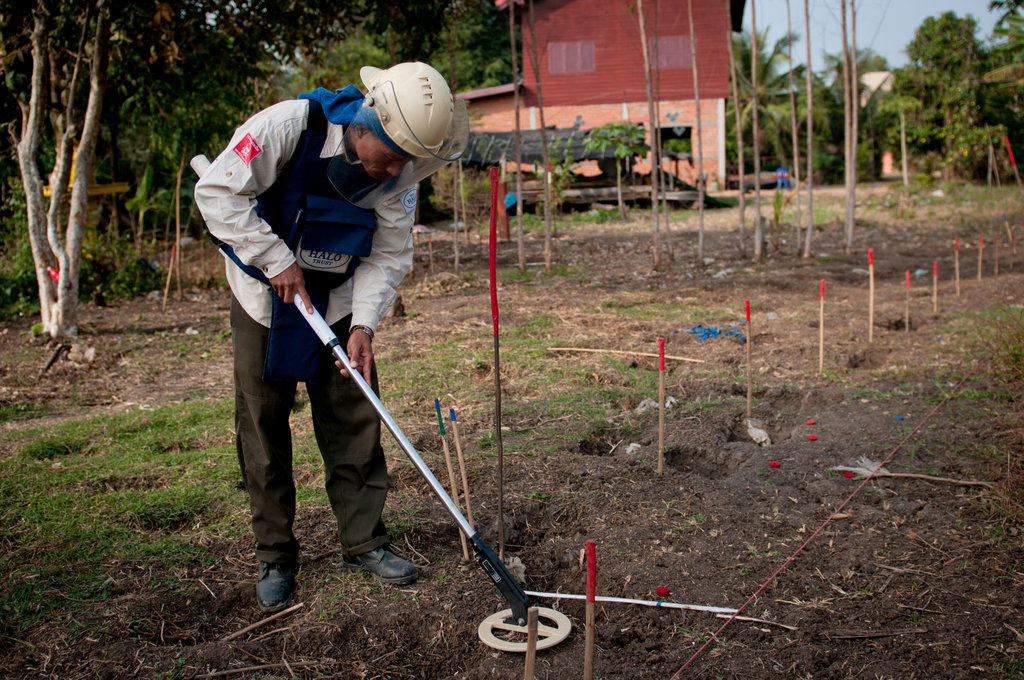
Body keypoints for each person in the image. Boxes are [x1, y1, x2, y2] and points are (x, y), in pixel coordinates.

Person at [194, 62, 468, 613]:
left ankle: (363, 542)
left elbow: (388, 254)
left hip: (341, 301)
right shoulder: (287, 127)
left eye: (408, 162)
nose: (396, 170)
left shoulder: (398, 176)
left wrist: (364, 324)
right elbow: (219, 192)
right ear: (367, 122)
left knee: (354, 417)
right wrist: (274, 258)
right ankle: (275, 554)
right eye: (391, 155)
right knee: (263, 425)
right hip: (264, 299)